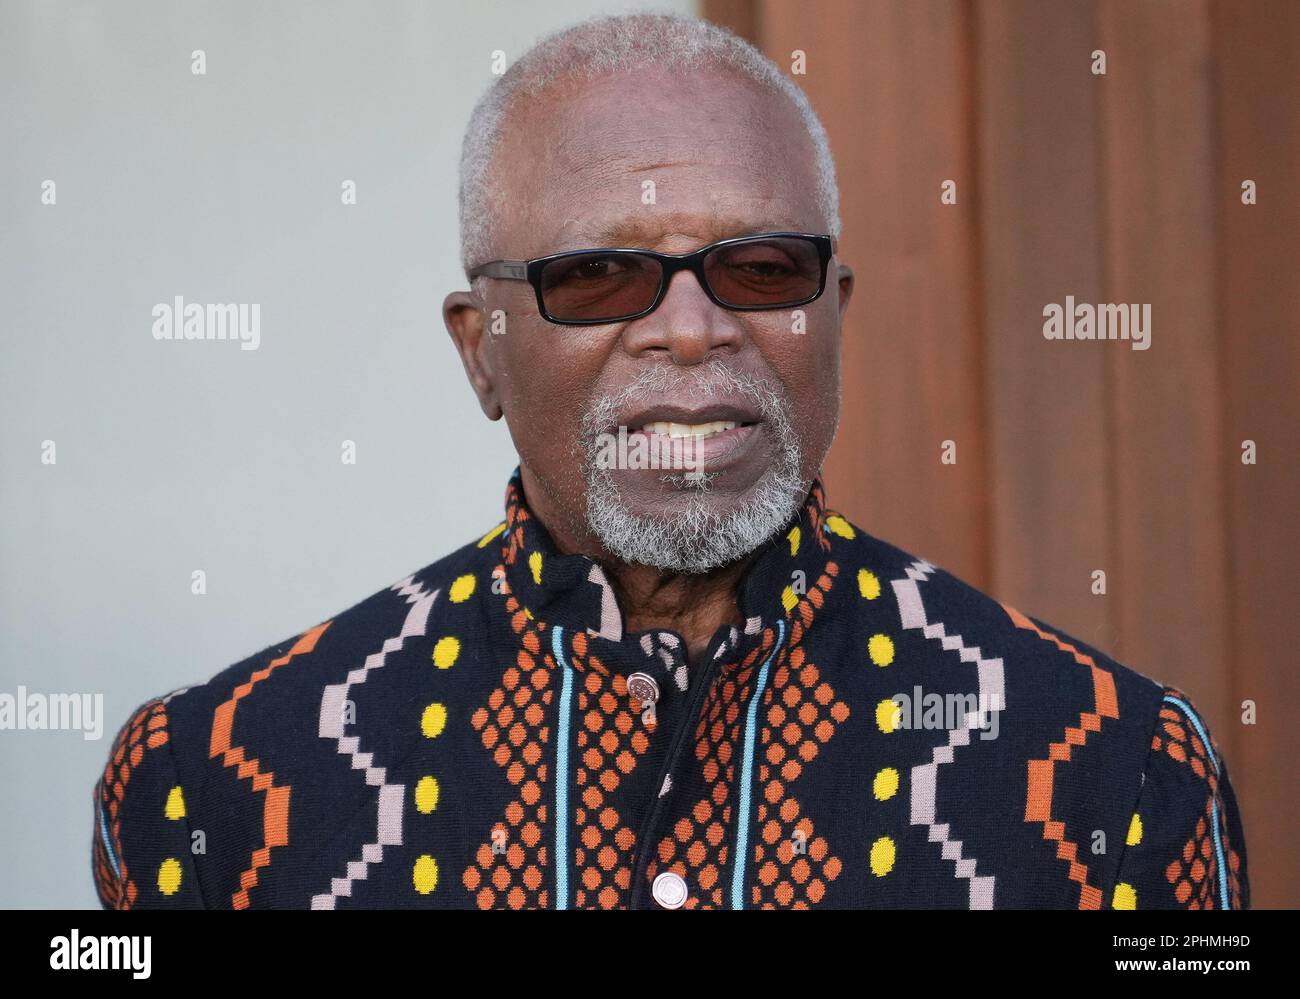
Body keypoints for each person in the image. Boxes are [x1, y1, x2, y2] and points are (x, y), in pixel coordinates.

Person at [93, 12, 1247, 910]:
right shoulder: (214, 786)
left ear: (831, 316)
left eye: (759, 270)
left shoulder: (1113, 771)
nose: (690, 330)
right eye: (598, 278)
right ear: (479, 352)